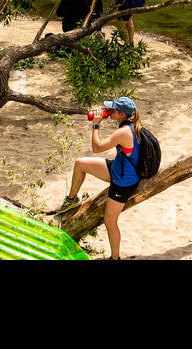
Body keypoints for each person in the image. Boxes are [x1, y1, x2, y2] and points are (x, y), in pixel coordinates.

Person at [63, 96, 144, 260]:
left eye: (112, 110)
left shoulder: (123, 132)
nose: (109, 112)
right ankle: (71, 200)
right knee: (80, 164)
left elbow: (97, 147)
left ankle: (115, 258)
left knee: (109, 221)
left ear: (121, 114)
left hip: (123, 181)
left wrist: (96, 124)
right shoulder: (131, 125)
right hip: (118, 167)